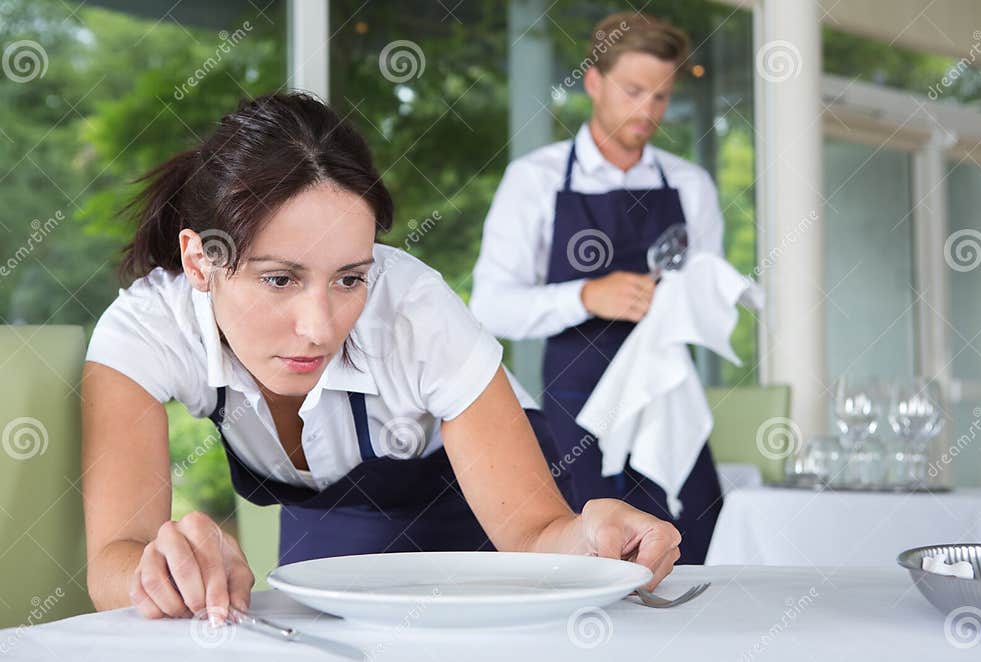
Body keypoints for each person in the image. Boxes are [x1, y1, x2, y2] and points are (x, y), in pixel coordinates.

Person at [81, 91, 681, 624]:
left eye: (349, 279)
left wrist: (591, 542)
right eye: (279, 280)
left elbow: (535, 535)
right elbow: (114, 557)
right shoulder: (148, 329)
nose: (319, 329)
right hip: (337, 522)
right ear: (198, 261)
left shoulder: (415, 311)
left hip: (486, 520)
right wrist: (165, 567)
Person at [470, 12, 725, 564]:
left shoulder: (690, 185)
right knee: (586, 560)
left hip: (667, 408)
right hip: (574, 416)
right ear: (593, 82)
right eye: (634, 91)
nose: (647, 111)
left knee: (696, 547)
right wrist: (584, 296)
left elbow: (708, 301)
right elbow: (489, 306)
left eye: (661, 96)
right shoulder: (534, 180)